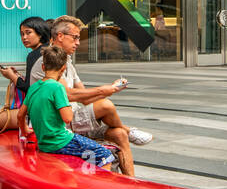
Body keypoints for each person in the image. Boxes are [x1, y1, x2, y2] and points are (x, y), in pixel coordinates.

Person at [28, 15, 151, 176]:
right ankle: (128, 130)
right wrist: (102, 91)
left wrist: (111, 89)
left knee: (118, 134)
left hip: (75, 119)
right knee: (105, 105)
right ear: (60, 36)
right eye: (75, 37)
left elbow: (84, 96)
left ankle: (131, 182)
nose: (78, 42)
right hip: (62, 127)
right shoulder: (47, 63)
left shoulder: (68, 63)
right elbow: (68, 95)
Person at [0, 17, 51, 189]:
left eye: (28, 33)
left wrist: (12, 77)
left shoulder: (36, 54)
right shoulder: (45, 52)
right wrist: (18, 77)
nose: (24, 37)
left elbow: (31, 90)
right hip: (42, 110)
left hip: (35, 115)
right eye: (22, 34)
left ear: (40, 32)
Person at [23, 46, 113, 168]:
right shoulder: (58, 87)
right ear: (63, 68)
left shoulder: (33, 88)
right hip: (61, 141)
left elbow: (20, 115)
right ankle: (99, 185)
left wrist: (25, 130)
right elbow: (68, 118)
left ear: (43, 67)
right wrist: (67, 103)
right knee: (105, 154)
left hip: (43, 143)